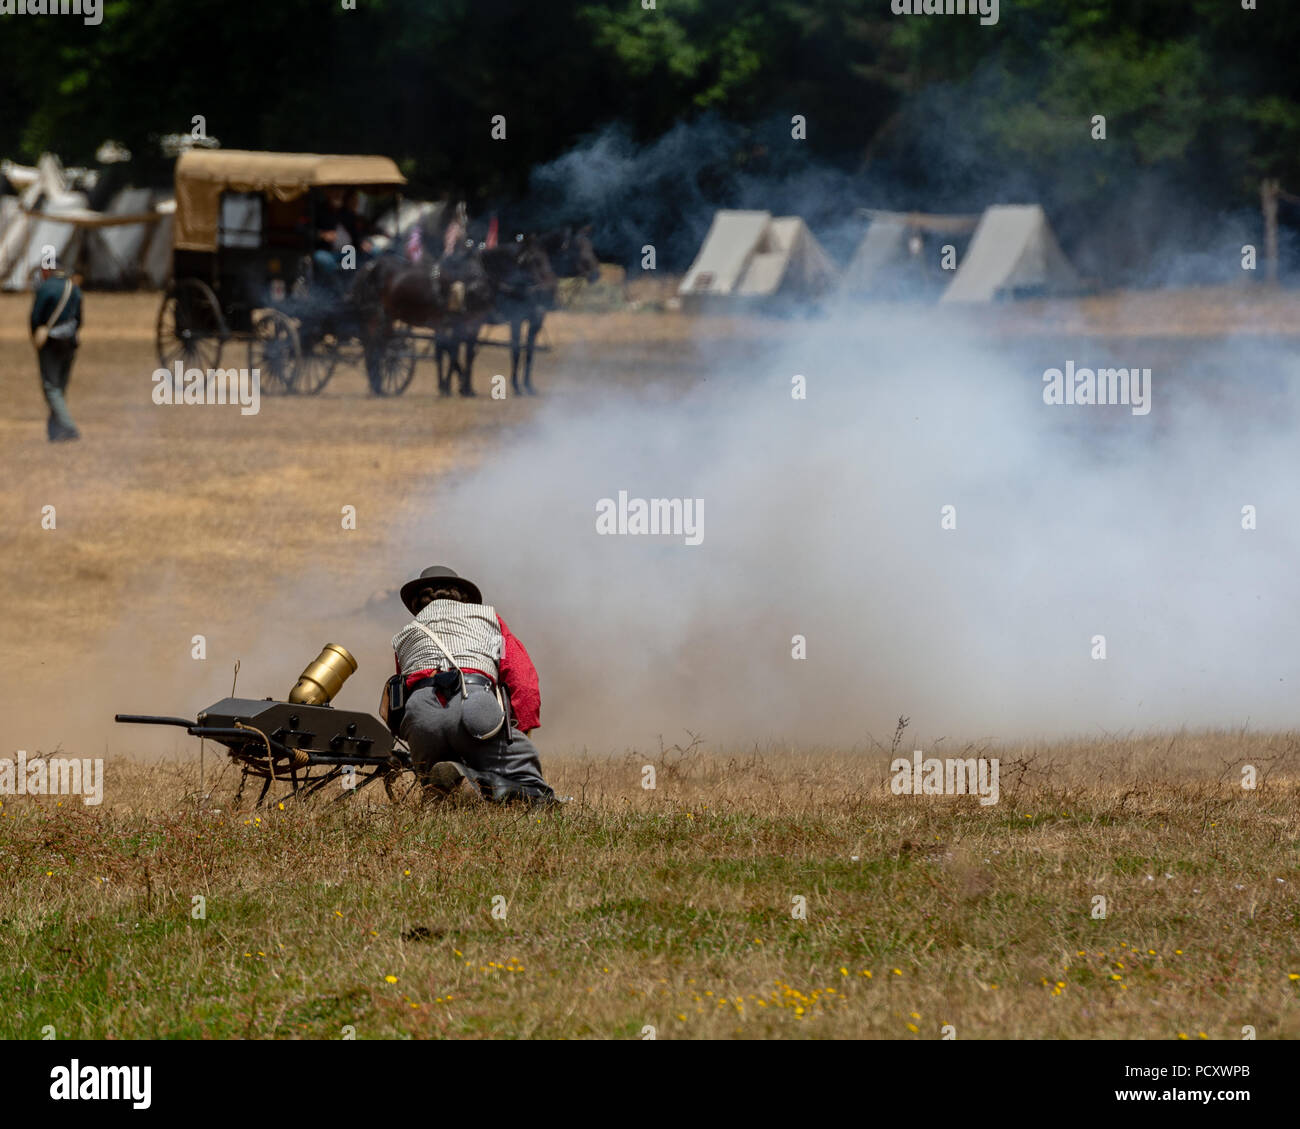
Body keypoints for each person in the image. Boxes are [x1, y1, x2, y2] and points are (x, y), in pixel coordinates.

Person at [385, 566, 556, 805]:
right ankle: (469, 778)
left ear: (417, 603)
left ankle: (446, 782)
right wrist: (521, 729)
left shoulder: (405, 635)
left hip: (419, 718)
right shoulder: (488, 619)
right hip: (472, 703)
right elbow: (522, 680)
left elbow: (402, 687)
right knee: (529, 786)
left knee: (441, 794)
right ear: (463, 598)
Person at [29, 266, 83, 442]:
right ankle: (54, 432)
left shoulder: (44, 288)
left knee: (51, 386)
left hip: (51, 342)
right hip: (70, 342)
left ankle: (68, 427)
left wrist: (36, 338)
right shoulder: (73, 287)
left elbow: (36, 317)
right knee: (60, 386)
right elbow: (80, 319)